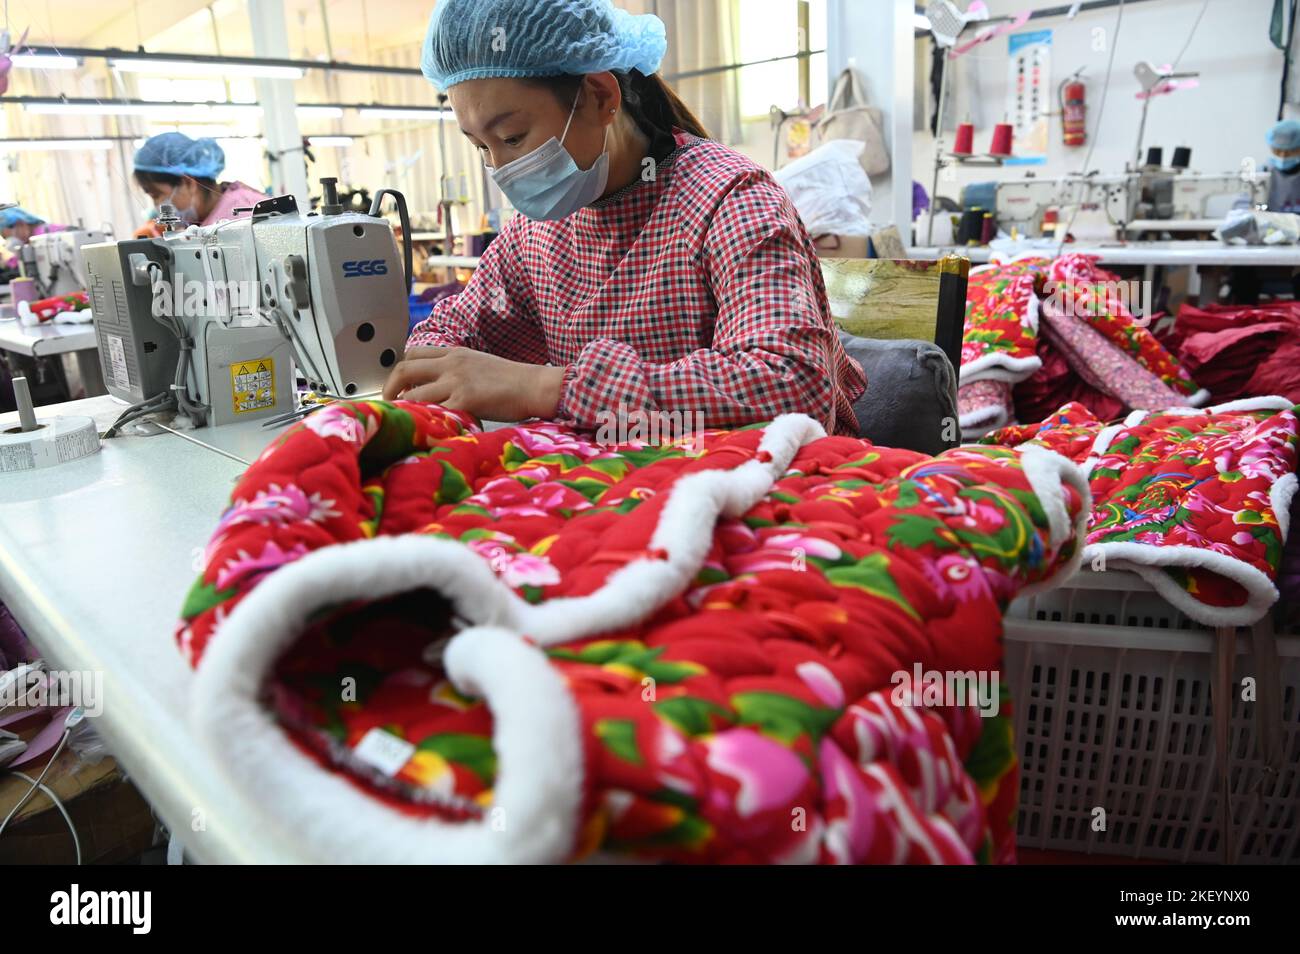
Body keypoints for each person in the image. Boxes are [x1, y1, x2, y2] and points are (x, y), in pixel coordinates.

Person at [383, 0, 866, 435]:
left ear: (600, 96)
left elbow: (793, 387)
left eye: (512, 138)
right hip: (620, 486)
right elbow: (447, 335)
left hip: (757, 485)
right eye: (480, 147)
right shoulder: (535, 234)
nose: (500, 170)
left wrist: (548, 388)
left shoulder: (729, 199)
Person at [132, 132, 267, 232]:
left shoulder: (244, 216)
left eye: (156, 195)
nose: (157, 206)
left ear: (188, 183)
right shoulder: (200, 220)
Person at [1265, 118, 1300, 213]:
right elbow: (1244, 205)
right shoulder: (1262, 173)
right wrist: (1263, 209)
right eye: (1277, 151)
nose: (1283, 156)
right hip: (1271, 224)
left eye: (1290, 152)